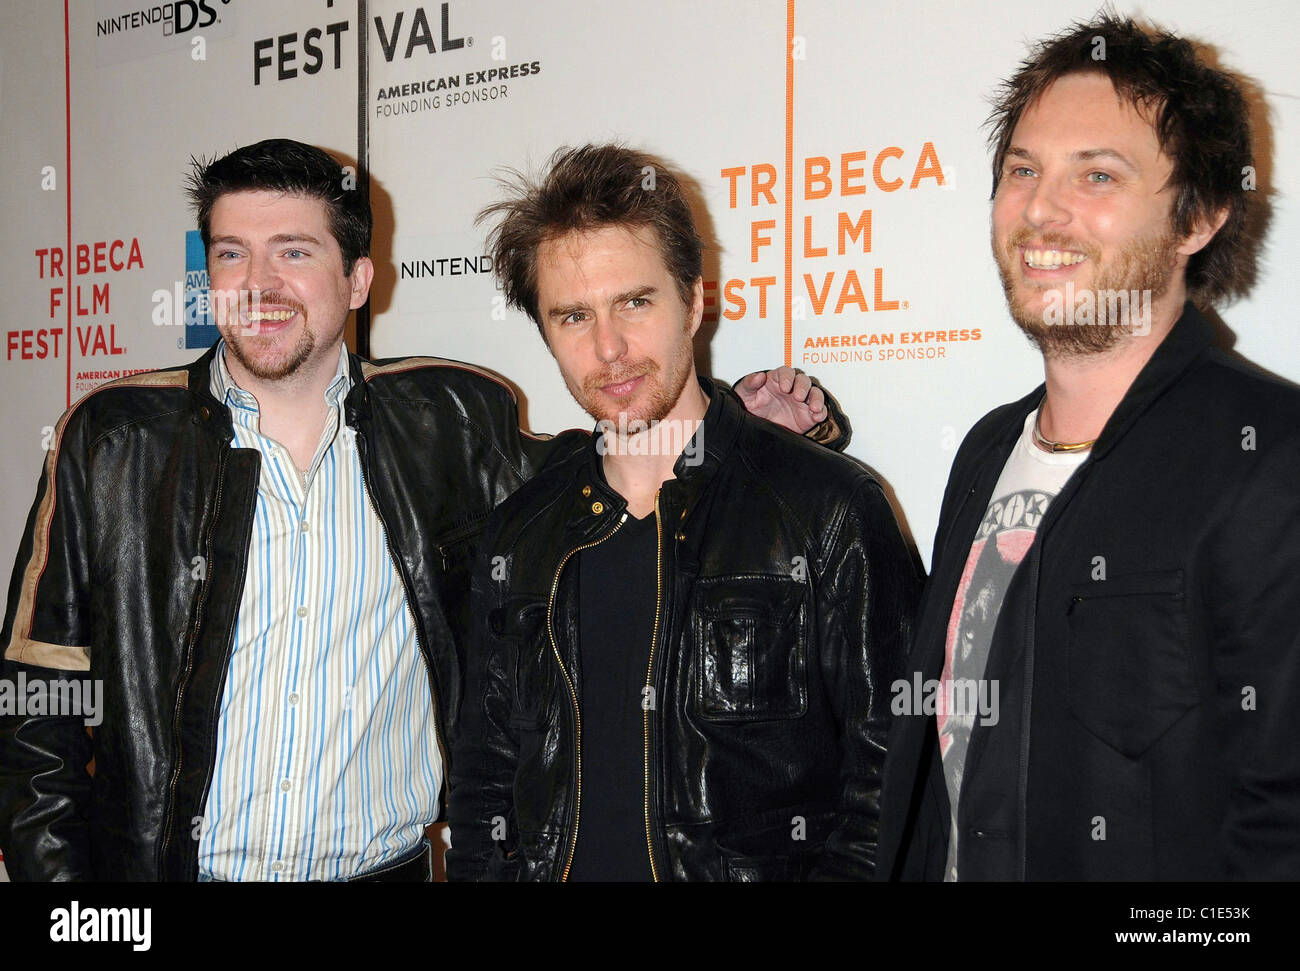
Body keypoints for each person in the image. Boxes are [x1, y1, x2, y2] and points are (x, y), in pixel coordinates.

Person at [0, 138, 838, 881]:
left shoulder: (452, 420)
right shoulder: (112, 438)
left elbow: (614, 465)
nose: (258, 284)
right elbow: (38, 696)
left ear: (358, 277)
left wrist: (753, 421)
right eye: (230, 254)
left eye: (293, 251)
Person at [876, 15, 1300, 880]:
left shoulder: (1271, 456)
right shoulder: (985, 450)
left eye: (1097, 173)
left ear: (1199, 218)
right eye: (1022, 169)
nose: (1040, 209)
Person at [446, 144, 919, 881]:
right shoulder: (519, 533)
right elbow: (484, 786)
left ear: (695, 301)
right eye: (573, 316)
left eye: (635, 302)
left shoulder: (828, 510)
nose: (609, 348)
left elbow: (895, 789)